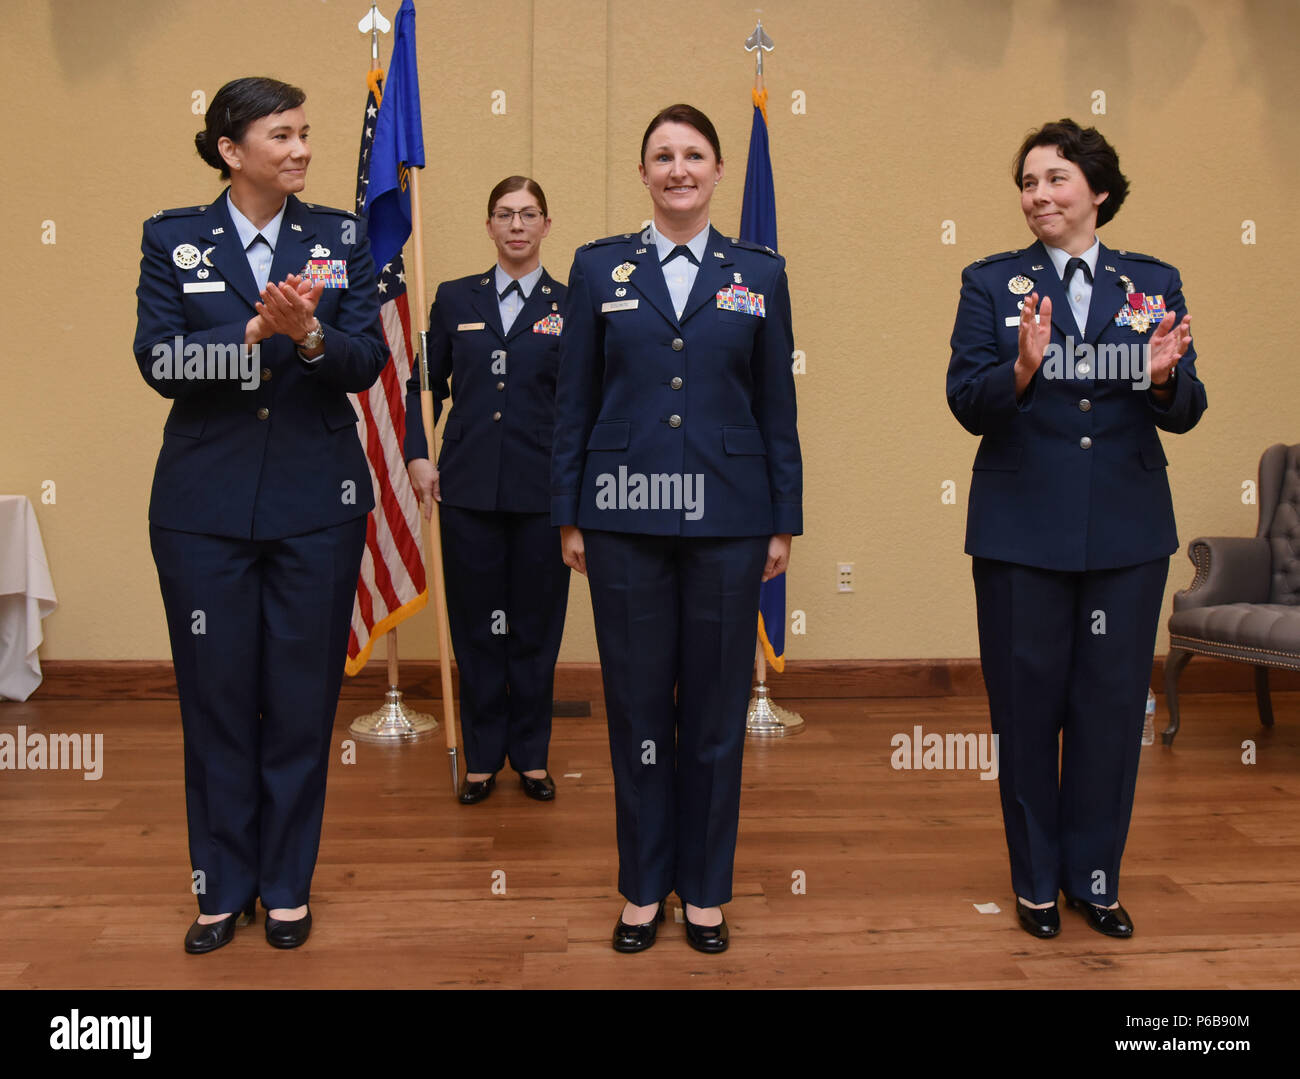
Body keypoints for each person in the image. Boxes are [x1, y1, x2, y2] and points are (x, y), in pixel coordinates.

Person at [133, 76, 387, 952]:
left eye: (306, 132)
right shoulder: (173, 238)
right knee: (217, 704)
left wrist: (310, 337)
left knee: (300, 699)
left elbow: (365, 363)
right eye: (281, 135)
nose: (302, 148)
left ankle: (284, 886)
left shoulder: (340, 237)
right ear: (231, 151)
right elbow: (160, 359)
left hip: (318, 507)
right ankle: (221, 884)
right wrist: (250, 333)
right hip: (203, 509)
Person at [946, 119, 1205, 940]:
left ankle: (1095, 880)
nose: (1038, 195)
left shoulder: (1153, 283)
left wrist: (1163, 381)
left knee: (1108, 709)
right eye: (1027, 182)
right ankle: (1034, 882)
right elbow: (964, 399)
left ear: (1097, 192)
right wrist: (1020, 368)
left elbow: (1189, 408)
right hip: (1022, 533)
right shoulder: (992, 284)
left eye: (1055, 179)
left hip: (1127, 536)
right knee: (1025, 712)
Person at [552, 104, 802, 953]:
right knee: (636, 709)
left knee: (717, 712)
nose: (679, 168)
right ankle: (641, 884)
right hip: (620, 519)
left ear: (719, 170)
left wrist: (783, 520)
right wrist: (570, 511)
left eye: (694, 154)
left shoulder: (758, 273)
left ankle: (703, 888)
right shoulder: (597, 268)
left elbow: (778, 409)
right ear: (643, 172)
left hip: (732, 520)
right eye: (662, 155)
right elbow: (573, 403)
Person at [404, 177, 570, 804]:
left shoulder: (572, 301)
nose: (517, 225)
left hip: (542, 492)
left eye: (529, 214)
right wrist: (420, 455)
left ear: (547, 226)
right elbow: (426, 386)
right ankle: (481, 758)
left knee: (534, 628)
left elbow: (584, 402)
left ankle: (529, 755)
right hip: (467, 490)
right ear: (490, 226)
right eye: (505, 214)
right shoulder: (453, 299)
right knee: (477, 628)